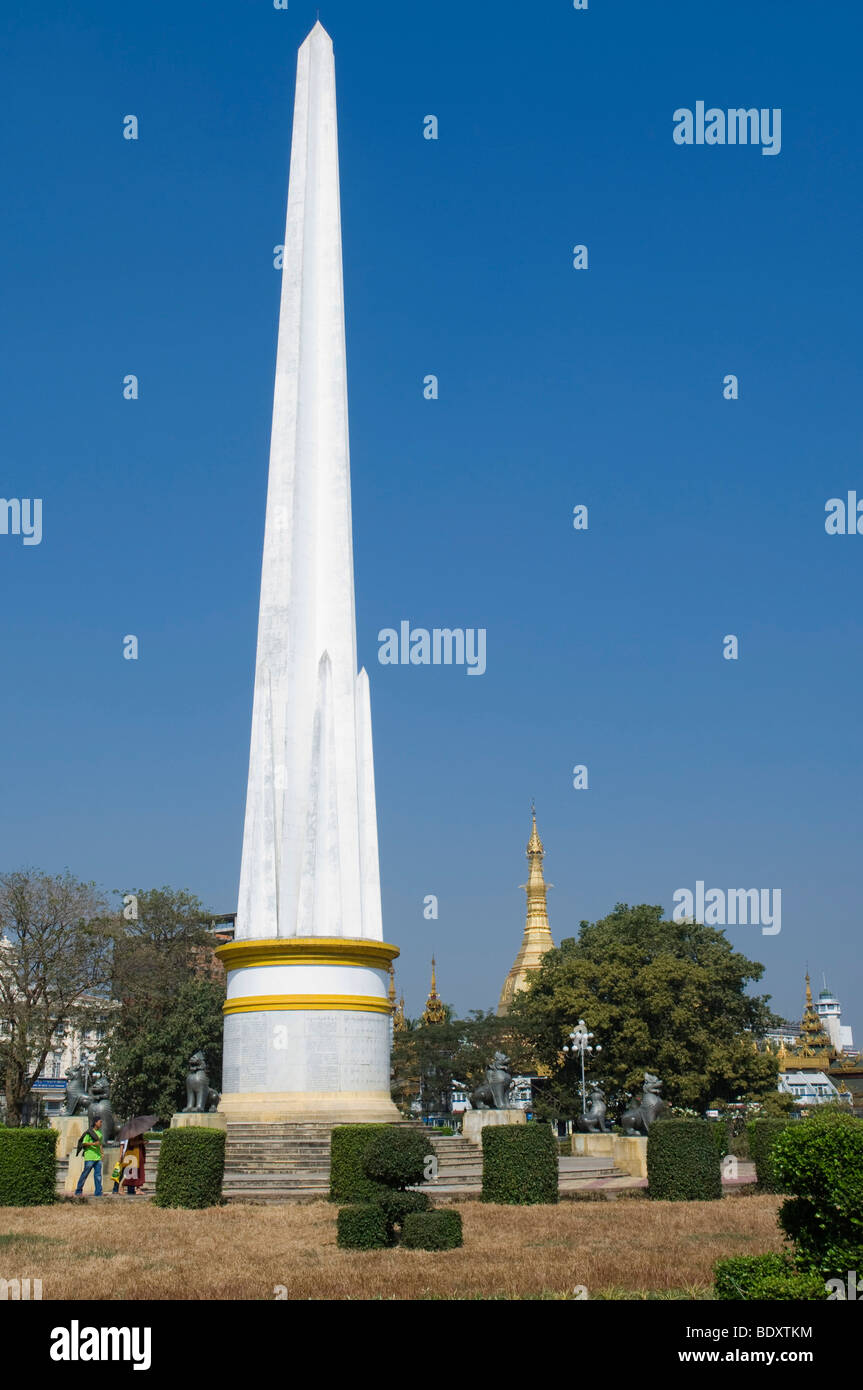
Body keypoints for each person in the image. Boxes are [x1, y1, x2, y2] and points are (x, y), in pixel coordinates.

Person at [74, 1121, 103, 1197]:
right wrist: (93, 1144)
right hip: (89, 1157)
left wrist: (102, 1153)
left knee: (98, 1176)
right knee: (85, 1174)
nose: (101, 1124)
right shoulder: (89, 1132)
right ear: (95, 1122)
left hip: (98, 1157)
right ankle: (78, 1191)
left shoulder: (100, 1133)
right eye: (100, 1122)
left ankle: (98, 1192)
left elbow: (100, 1144)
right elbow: (84, 1143)